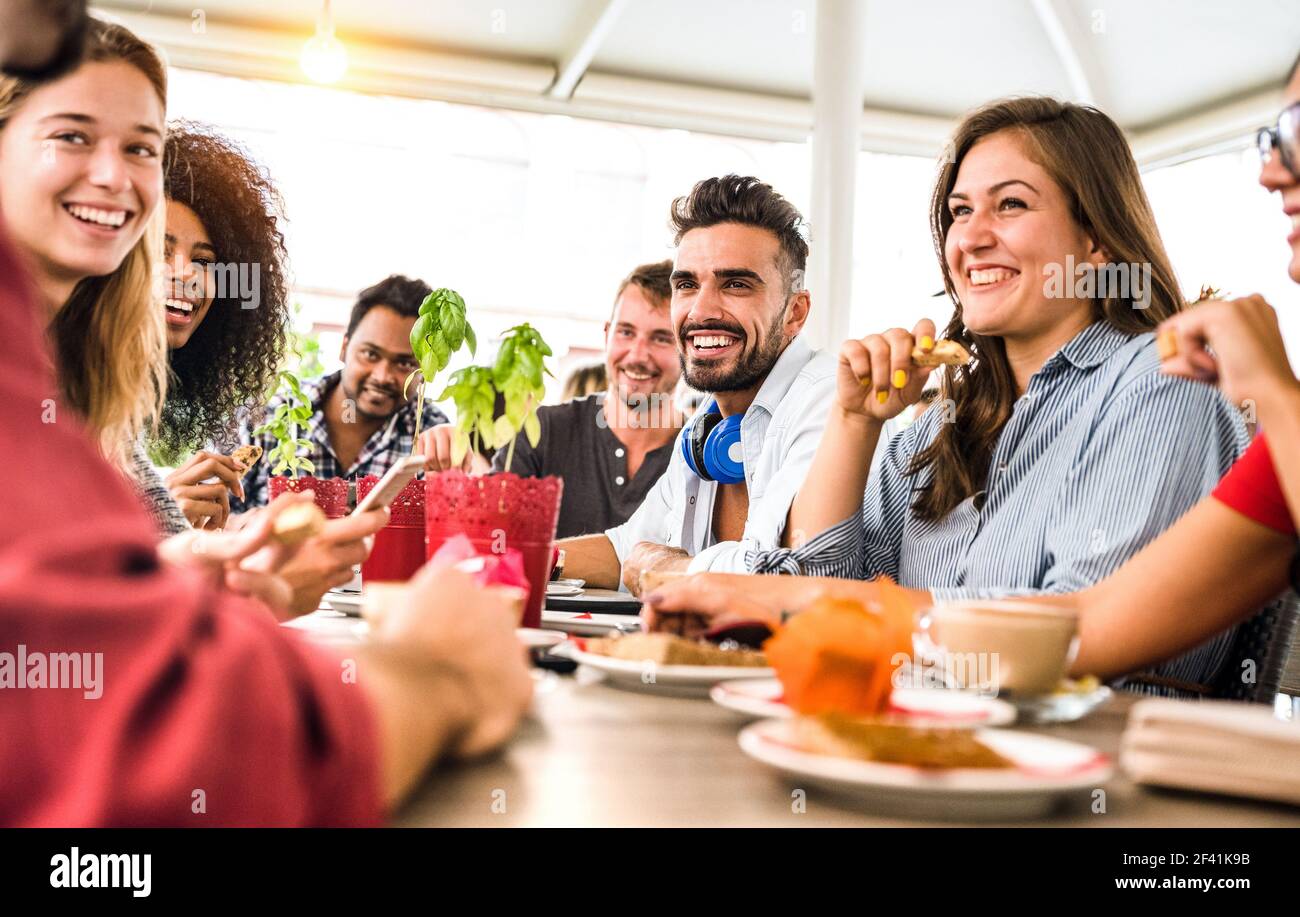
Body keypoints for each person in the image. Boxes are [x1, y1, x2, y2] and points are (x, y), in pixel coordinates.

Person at [0, 15, 531, 826]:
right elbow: (169, 766)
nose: (113, 176)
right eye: (71, 135)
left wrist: (204, 576)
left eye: (142, 146)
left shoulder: (82, 388)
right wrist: (438, 670)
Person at [646, 97, 1255, 693]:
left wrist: (780, 598)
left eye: (1010, 204)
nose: (971, 237)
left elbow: (1068, 637)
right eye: (960, 212)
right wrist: (854, 421)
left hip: (1085, 769)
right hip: (918, 754)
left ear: (1096, 239)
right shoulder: (938, 424)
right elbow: (817, 586)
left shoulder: (1162, 387)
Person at [557, 175, 838, 593]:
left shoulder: (828, 399)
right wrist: (511, 560)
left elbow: (788, 574)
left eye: (736, 284)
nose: (701, 310)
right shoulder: (704, 430)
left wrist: (674, 568)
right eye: (687, 285)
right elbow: (627, 553)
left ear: (795, 313)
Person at [421, 260, 684, 538]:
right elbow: (489, 537)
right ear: (607, 335)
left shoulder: (699, 452)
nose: (637, 355)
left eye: (661, 338)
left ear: (687, 347)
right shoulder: (544, 431)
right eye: (626, 332)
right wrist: (446, 472)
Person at [230, 274, 450, 512]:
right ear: (344, 348)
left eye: (405, 363)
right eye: (371, 354)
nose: (383, 376)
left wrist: (459, 456)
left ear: (424, 369)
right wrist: (249, 525)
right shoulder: (267, 417)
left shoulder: (430, 428)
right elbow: (208, 518)